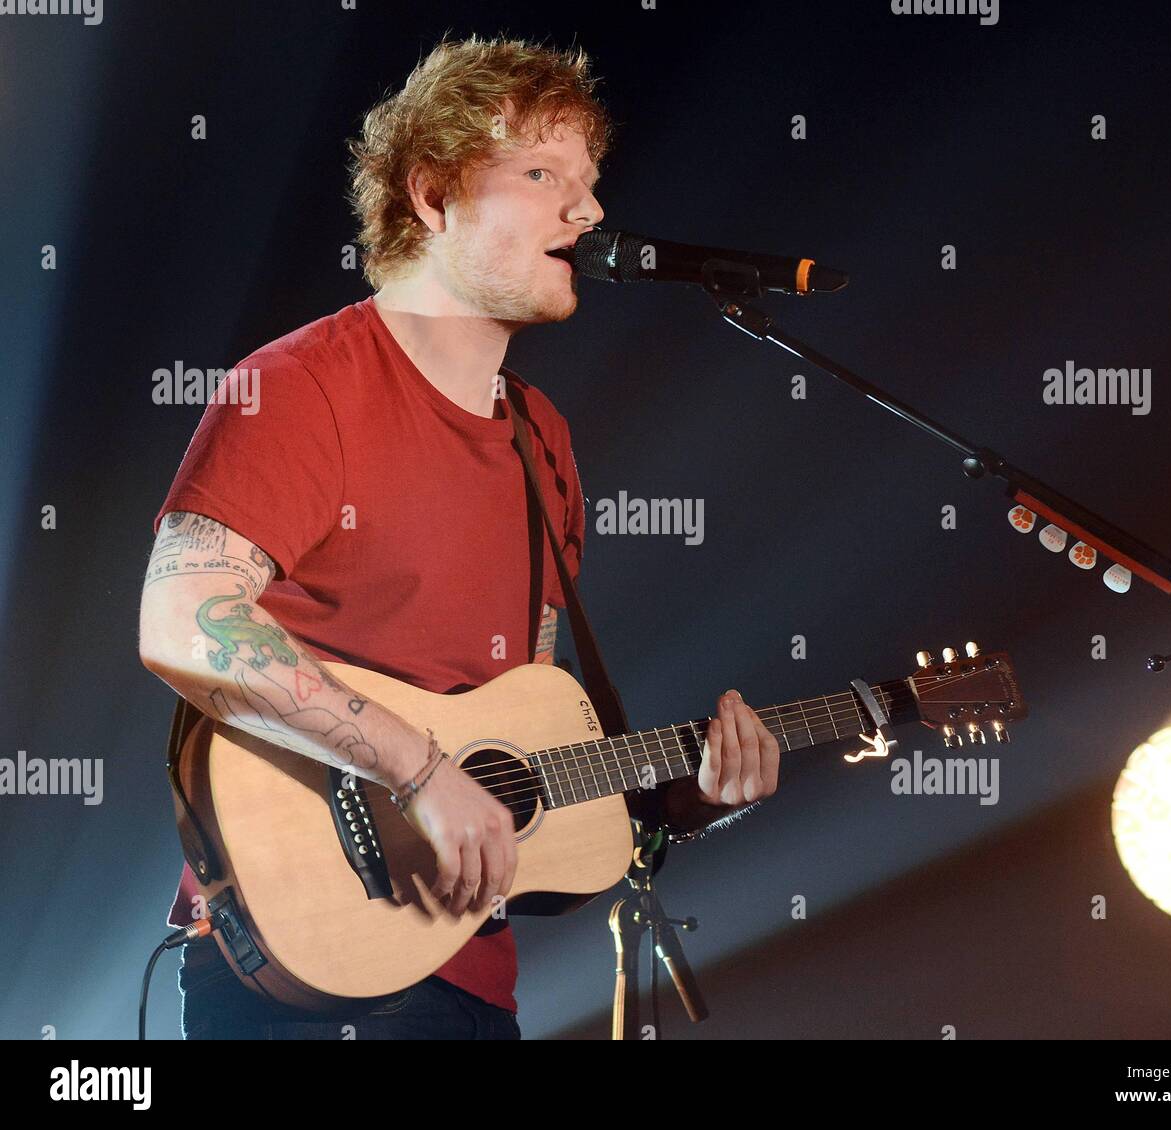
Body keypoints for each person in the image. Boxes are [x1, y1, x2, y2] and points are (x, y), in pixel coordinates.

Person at [137, 34, 780, 1040]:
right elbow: (183, 618)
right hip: (303, 976)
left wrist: (692, 799)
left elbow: (526, 738)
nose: (591, 210)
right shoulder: (302, 386)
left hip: (474, 981)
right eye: (541, 174)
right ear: (432, 195)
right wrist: (419, 769)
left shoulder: (545, 441)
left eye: (590, 181)